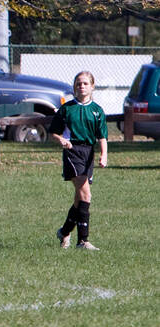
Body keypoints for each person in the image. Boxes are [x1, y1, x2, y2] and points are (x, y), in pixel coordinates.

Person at [50, 71, 107, 251]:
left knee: (79, 199)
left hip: (88, 153)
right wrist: (61, 140)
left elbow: (102, 136)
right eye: (78, 84)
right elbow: (53, 132)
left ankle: (65, 231)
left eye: (84, 83)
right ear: (74, 87)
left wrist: (103, 155)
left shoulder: (97, 110)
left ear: (92, 87)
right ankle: (83, 240)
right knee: (86, 194)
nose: (81, 86)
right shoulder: (67, 108)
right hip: (72, 151)